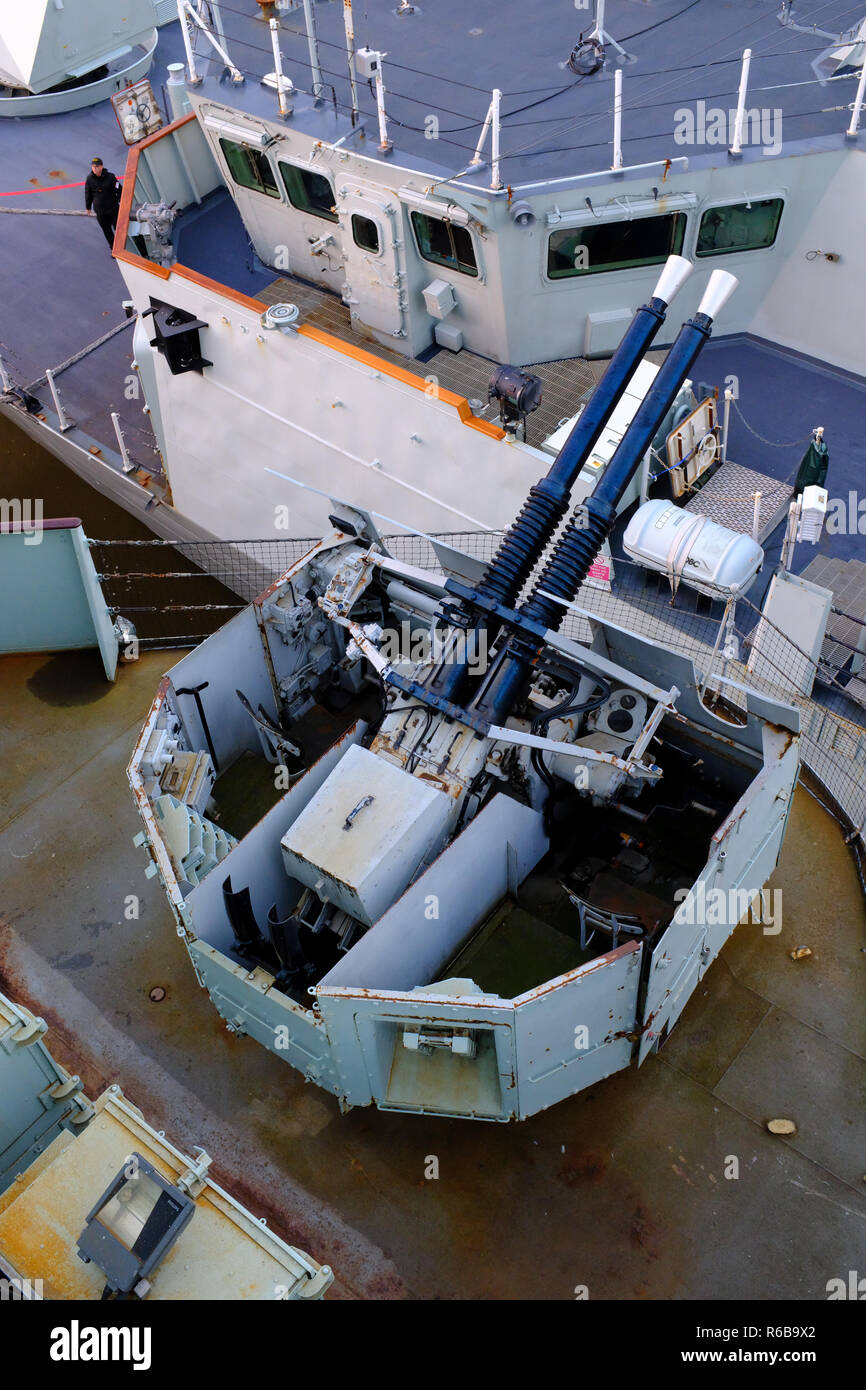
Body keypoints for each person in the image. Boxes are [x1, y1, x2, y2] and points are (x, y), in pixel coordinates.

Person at [84, 158, 122, 248]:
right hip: (100, 212)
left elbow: (119, 189)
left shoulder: (111, 177)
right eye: (93, 167)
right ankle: (113, 248)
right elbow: (88, 193)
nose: (94, 169)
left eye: (96, 167)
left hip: (113, 209)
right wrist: (88, 207)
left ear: (101, 166)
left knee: (119, 228)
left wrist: (121, 201)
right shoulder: (89, 179)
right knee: (107, 230)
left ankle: (122, 247)